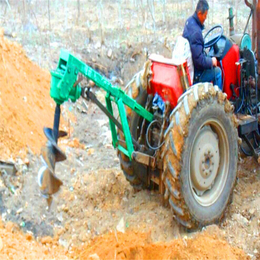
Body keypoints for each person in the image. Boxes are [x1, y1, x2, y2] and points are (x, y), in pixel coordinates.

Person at [183, 0, 222, 90]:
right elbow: (199, 61)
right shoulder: (196, 32)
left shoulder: (189, 22)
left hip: (190, 65)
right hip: (196, 74)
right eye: (205, 15)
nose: (205, 18)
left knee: (208, 58)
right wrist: (211, 61)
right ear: (199, 13)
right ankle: (219, 101)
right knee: (218, 72)